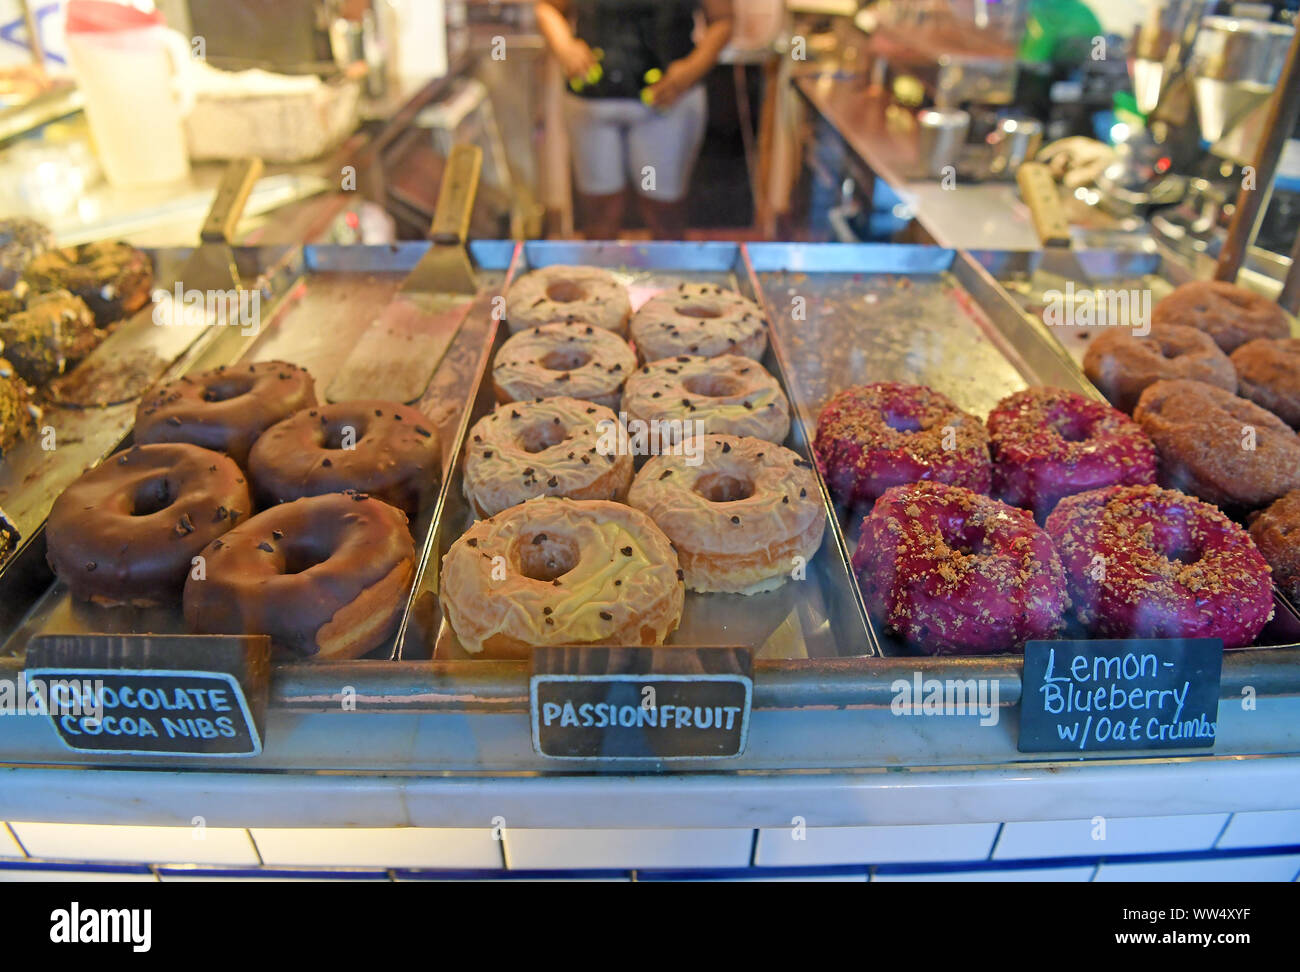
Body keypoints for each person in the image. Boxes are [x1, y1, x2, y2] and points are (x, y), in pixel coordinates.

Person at [536, 0, 734, 240]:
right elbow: (548, 7)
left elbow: (723, 20)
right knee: (599, 212)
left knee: (664, 210)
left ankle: (669, 272)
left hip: (669, 100)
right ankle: (600, 273)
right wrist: (564, 46)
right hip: (594, 100)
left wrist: (690, 70)